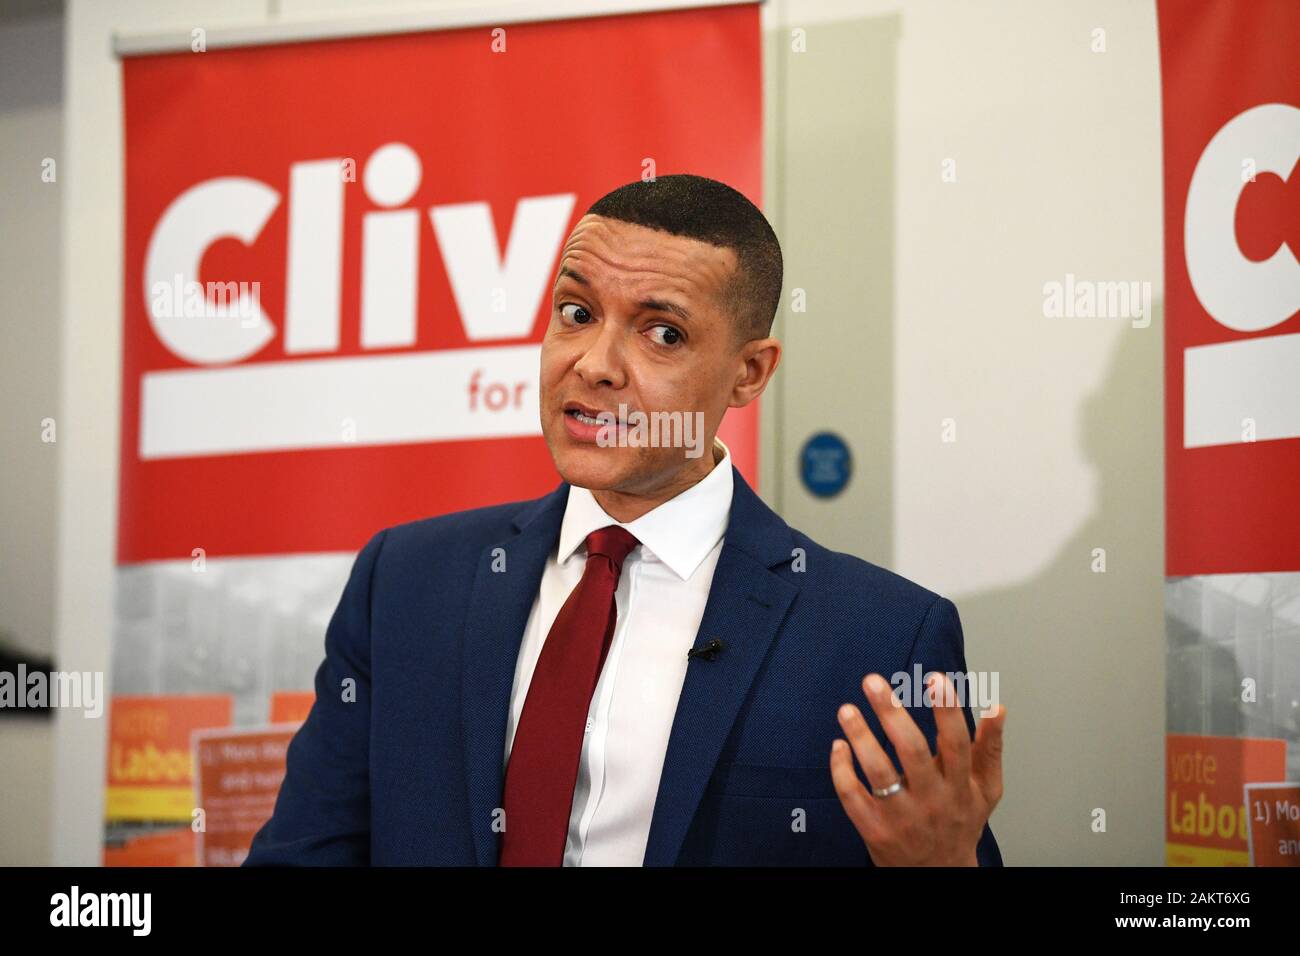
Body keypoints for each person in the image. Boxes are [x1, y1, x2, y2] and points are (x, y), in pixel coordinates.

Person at [244, 174, 1005, 867]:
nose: (596, 363)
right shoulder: (407, 582)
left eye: (662, 332)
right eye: (576, 313)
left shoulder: (879, 634)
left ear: (750, 372)